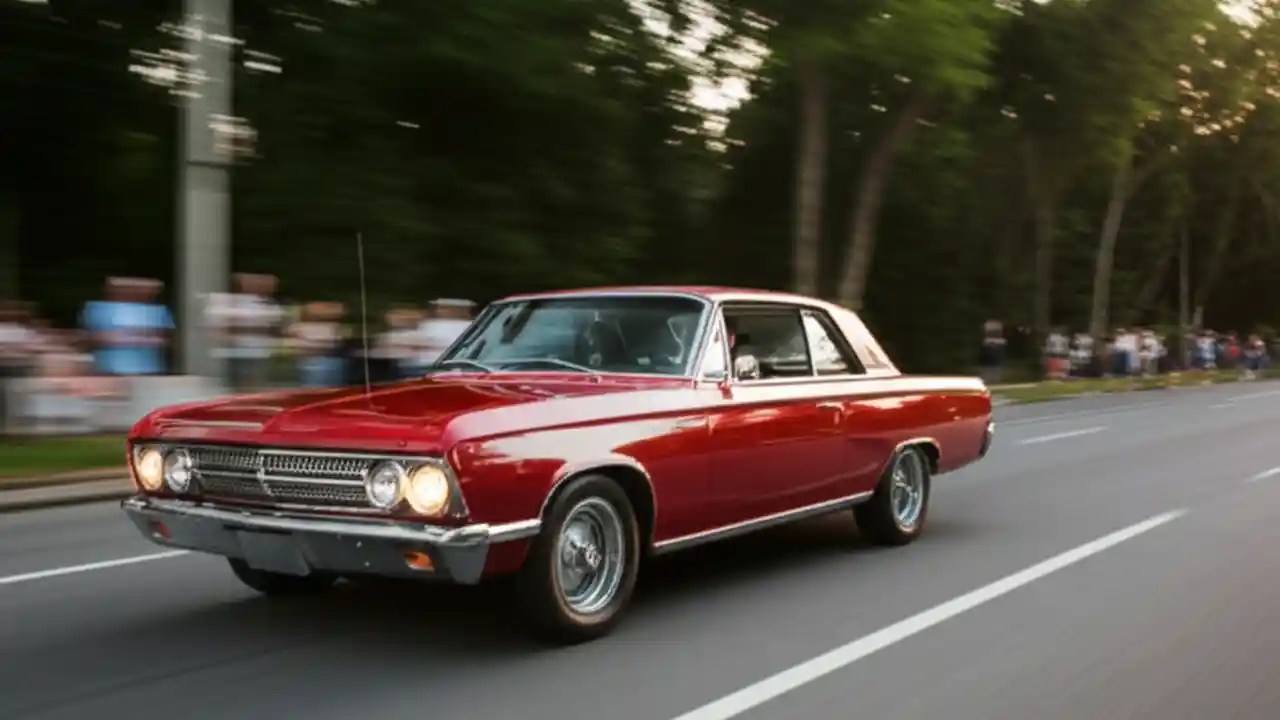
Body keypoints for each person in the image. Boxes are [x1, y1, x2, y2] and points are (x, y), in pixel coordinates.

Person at [80, 277, 174, 376]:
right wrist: (141, 337)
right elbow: (92, 337)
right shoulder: (98, 309)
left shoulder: (157, 311)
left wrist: (125, 336)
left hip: (148, 371)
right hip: (108, 370)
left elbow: (164, 339)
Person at [207, 273, 284, 391]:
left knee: (255, 380)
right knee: (239, 380)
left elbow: (273, 326)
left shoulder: (268, 304)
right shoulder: (232, 302)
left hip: (259, 350)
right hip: (239, 348)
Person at [419, 299, 475, 366]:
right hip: (427, 363)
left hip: (455, 364)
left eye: (443, 308)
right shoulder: (429, 324)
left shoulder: (470, 325)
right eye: (440, 308)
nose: (439, 311)